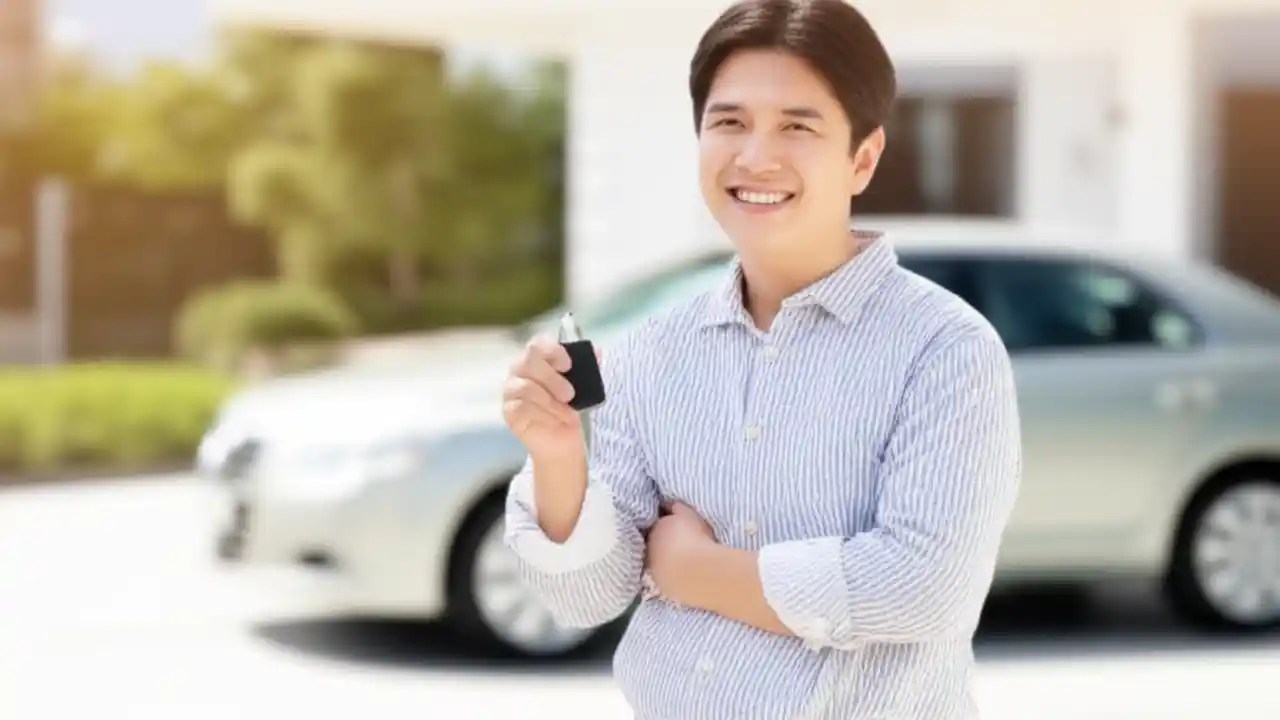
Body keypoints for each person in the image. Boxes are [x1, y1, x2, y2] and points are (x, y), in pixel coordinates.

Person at [500, 0, 1022, 717]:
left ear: (862, 158)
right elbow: (588, 596)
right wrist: (560, 459)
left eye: (797, 126)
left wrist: (696, 571)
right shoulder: (653, 353)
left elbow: (923, 587)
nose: (755, 157)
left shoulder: (944, 350)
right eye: (730, 122)